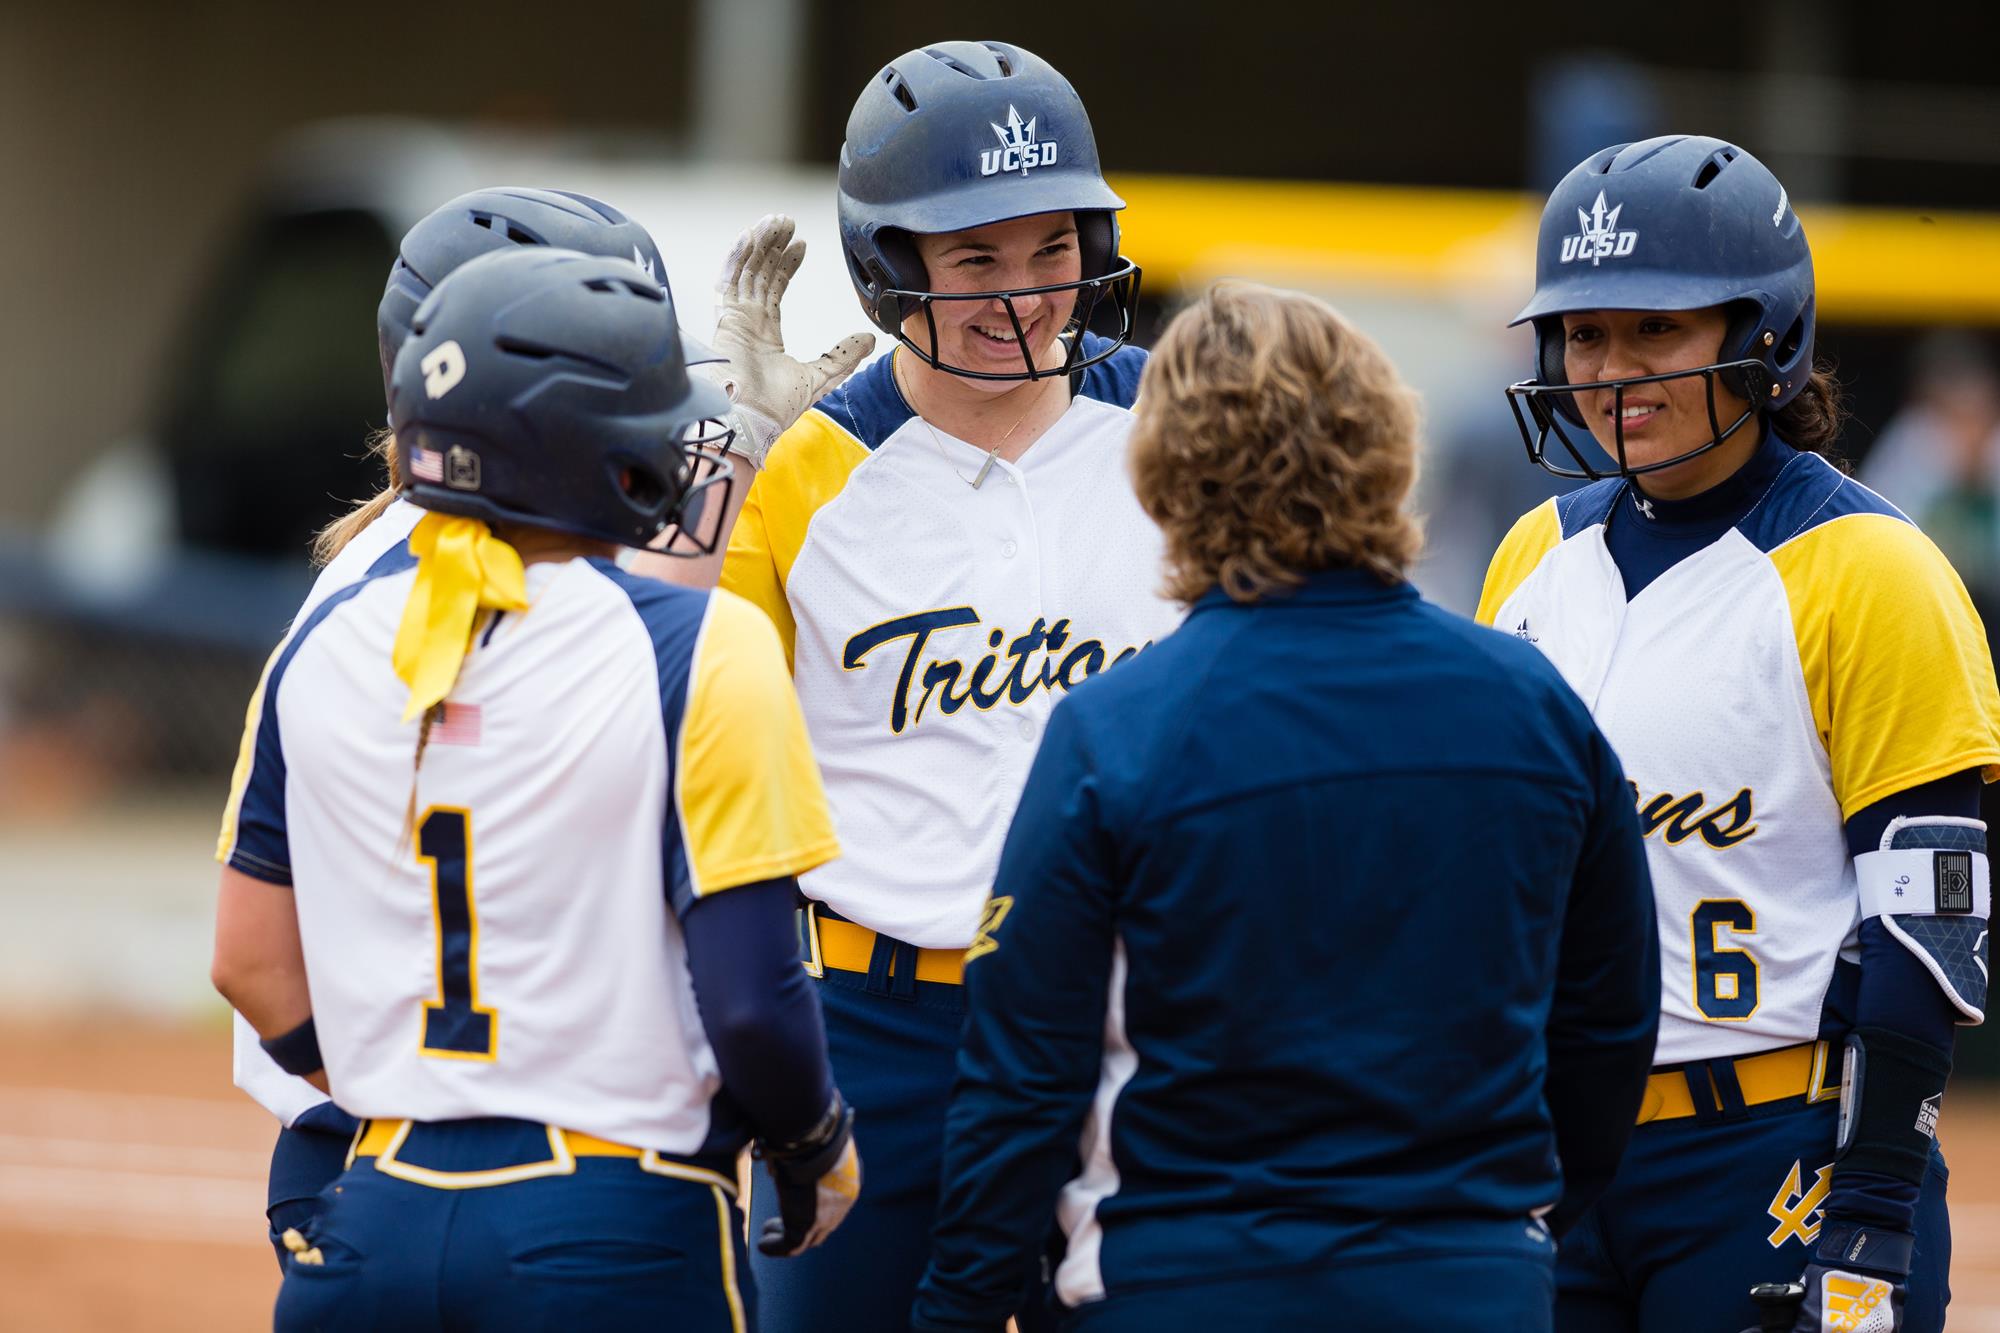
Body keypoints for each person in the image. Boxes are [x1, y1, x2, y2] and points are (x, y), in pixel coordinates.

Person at [909, 280, 1661, 1333]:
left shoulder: (1117, 728)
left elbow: (1023, 1070)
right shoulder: (1532, 704)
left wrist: (963, 1300)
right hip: (1461, 1280)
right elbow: (1609, 1024)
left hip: (1184, 1278)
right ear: (1386, 447)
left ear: (1166, 477)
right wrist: (1500, 1230)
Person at [210, 245, 858, 1330]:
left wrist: (413, 1091)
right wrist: (812, 1143)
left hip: (374, 1215)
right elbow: (752, 999)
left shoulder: (324, 638)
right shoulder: (702, 644)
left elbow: (249, 960)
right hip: (615, 1226)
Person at [645, 38, 1175, 1333]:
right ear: (891, 265)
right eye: (974, 257)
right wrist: (732, 465)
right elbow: (661, 676)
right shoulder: (811, 471)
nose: (1022, 297)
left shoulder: (1174, 434)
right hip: (874, 1022)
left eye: (1051, 250)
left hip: (1115, 1024)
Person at [1481, 135, 2000, 1333]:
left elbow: (1927, 924)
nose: (1608, 371)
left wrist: (1870, 1198)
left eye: (1652, 330)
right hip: (1554, 1154)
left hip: (1773, 1150)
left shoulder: (1869, 569)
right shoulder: (1530, 557)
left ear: (1761, 333)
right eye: (1583, 333)